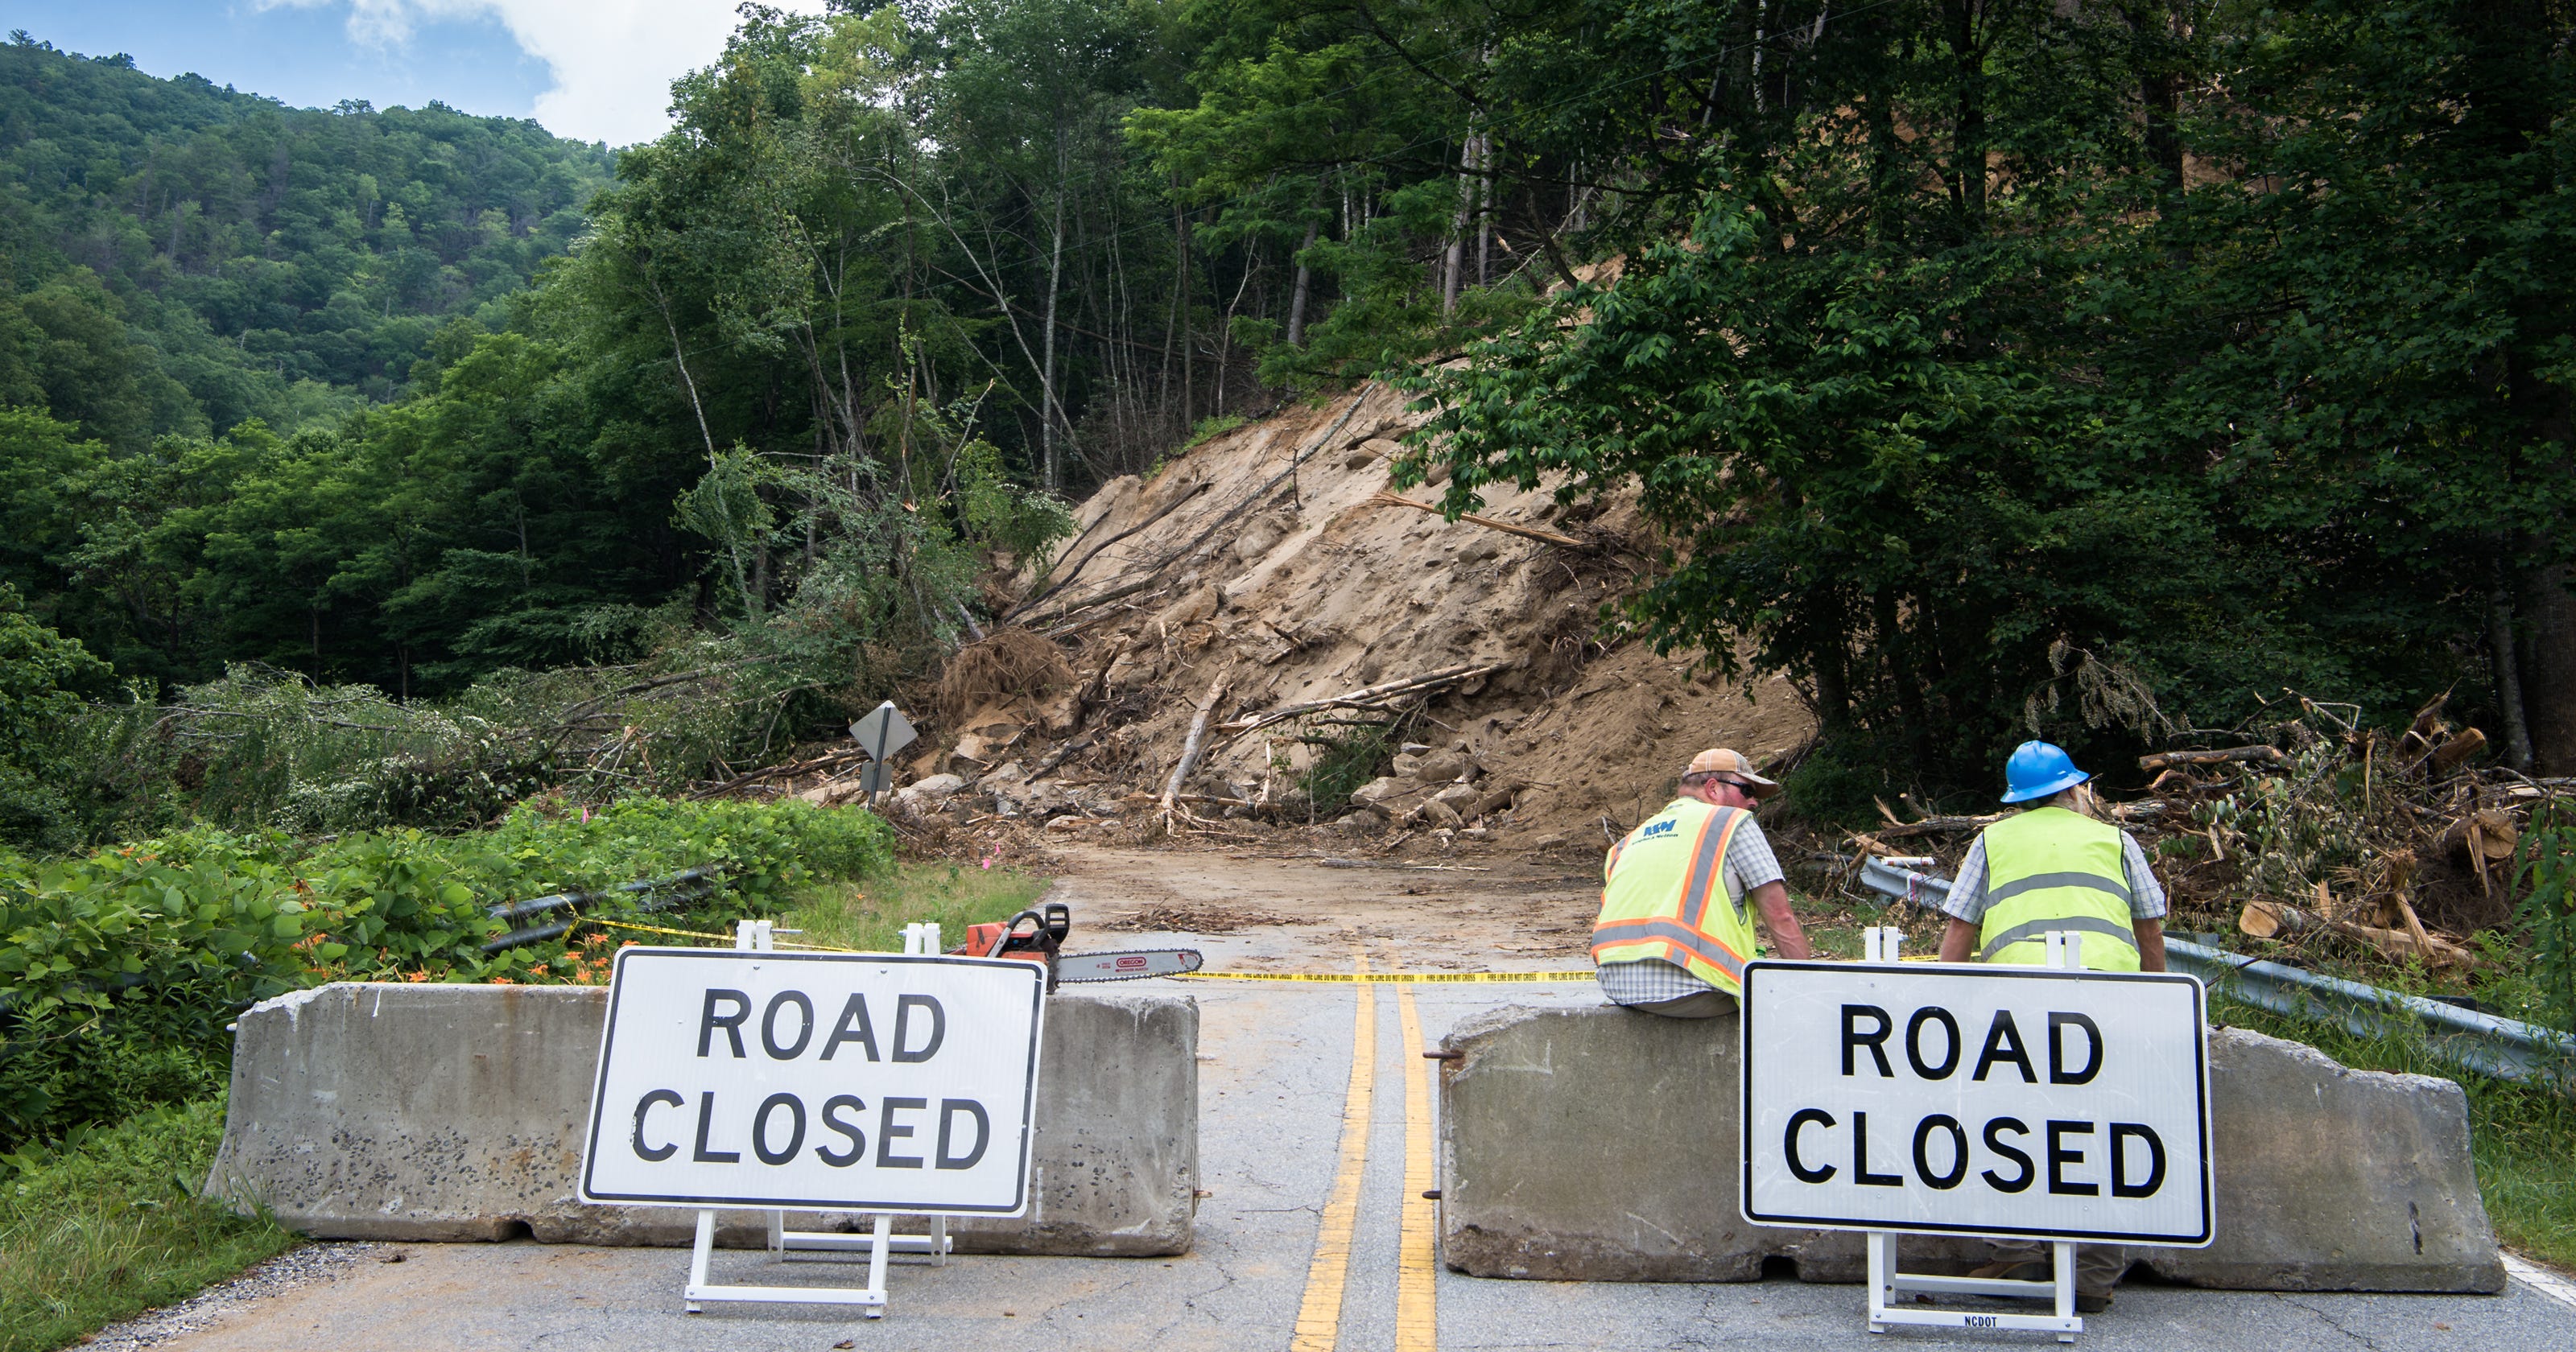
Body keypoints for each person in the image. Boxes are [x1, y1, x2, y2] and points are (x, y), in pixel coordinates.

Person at [1937, 739, 2169, 1314]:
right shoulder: (2116, 839)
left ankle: (2014, 1248)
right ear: (2073, 790)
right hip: (2106, 1005)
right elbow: (2150, 931)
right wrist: (2157, 1002)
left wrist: (1944, 1003)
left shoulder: (1992, 841)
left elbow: (1959, 932)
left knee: (2009, 1125)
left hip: (2014, 1009)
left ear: (2018, 801)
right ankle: (2093, 1274)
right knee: (2103, 1131)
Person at [1591, 748, 1813, 1017]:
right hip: (1692, 987)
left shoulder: (1629, 841)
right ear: (1713, 788)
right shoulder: (1731, 822)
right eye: (1747, 791)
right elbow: (1781, 916)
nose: (1753, 802)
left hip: (1618, 988)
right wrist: (1811, 993)